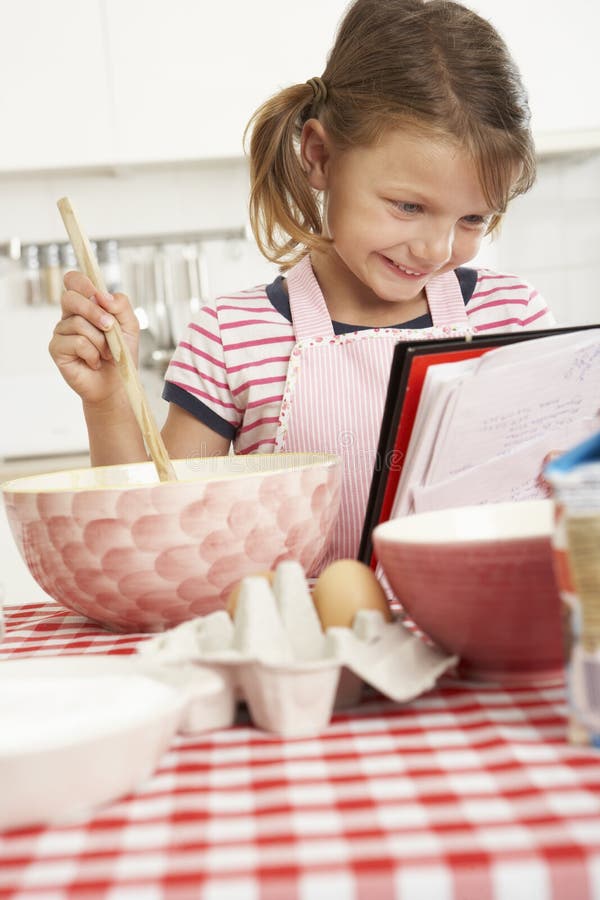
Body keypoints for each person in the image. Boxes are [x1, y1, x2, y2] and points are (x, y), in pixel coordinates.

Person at [49, 0, 555, 571]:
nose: (436, 250)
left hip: (478, 642)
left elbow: (556, 496)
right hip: (297, 647)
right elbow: (157, 533)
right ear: (320, 156)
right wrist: (110, 400)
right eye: (408, 206)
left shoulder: (512, 317)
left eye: (473, 219)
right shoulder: (231, 339)